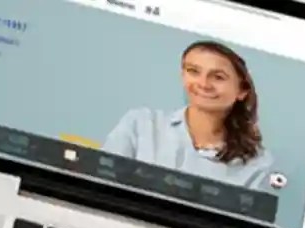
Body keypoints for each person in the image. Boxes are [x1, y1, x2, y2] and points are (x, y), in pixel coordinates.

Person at [103, 40, 274, 190]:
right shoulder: (139, 124)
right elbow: (103, 185)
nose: (203, 84)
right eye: (193, 71)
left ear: (242, 91)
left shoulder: (258, 163)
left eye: (218, 77)